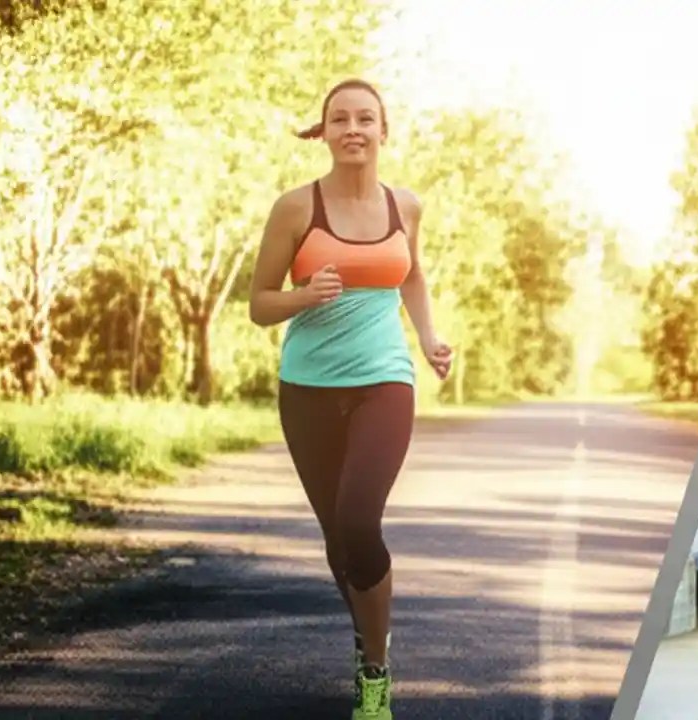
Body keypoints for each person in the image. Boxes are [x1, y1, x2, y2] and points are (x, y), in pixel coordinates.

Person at [248, 78, 453, 720]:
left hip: (383, 381)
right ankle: (369, 636)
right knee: (339, 540)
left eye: (366, 118)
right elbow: (259, 304)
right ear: (325, 131)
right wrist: (302, 296)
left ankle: (375, 670)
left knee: (360, 523)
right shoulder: (295, 208)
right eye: (340, 119)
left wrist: (428, 337)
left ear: (383, 130)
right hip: (307, 390)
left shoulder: (405, 206)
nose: (354, 129)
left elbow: (412, 274)